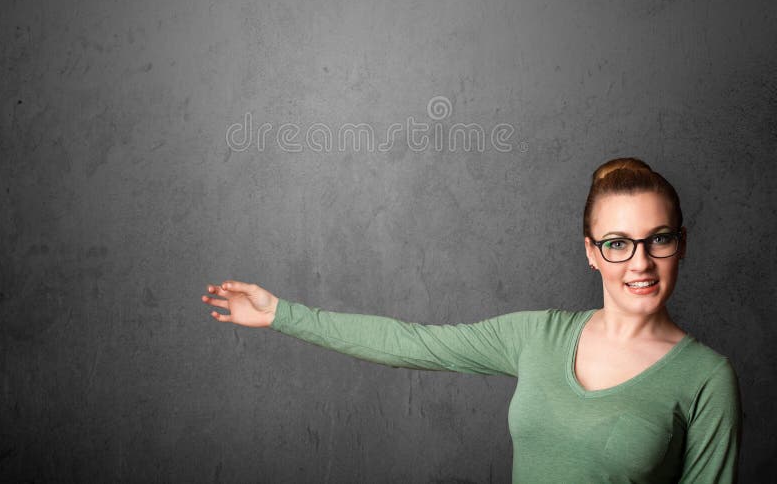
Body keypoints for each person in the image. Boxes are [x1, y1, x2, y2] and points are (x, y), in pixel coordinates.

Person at [201, 157, 742, 482]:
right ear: (591, 252)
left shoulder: (704, 378)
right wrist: (281, 314)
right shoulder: (537, 336)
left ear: (680, 244)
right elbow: (411, 343)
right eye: (618, 243)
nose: (641, 263)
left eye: (659, 240)